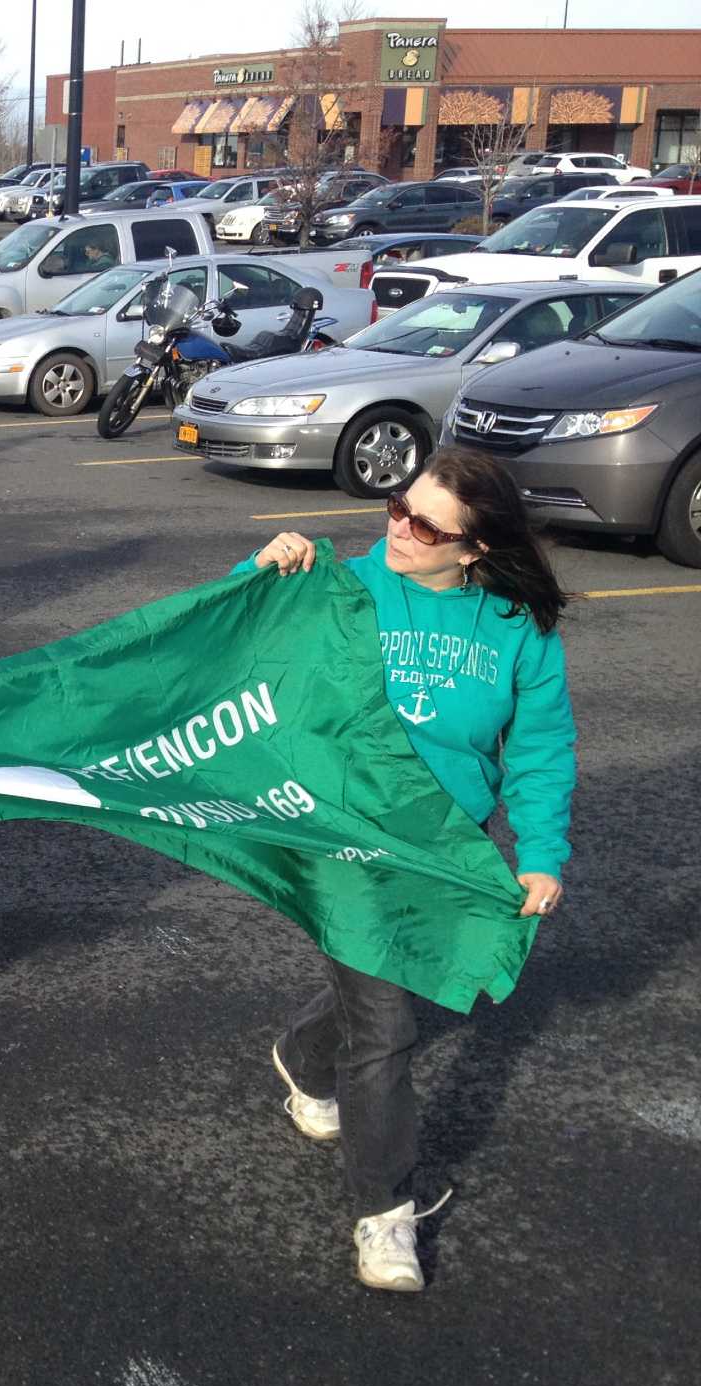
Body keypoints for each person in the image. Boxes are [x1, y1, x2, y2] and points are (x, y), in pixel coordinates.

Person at [248, 448, 576, 1293]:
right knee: (388, 1026)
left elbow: (539, 751)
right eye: (398, 506)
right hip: (346, 834)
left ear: (474, 550)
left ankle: (303, 1054)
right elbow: (240, 633)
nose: (398, 527)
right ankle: (385, 1210)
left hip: (444, 842)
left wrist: (540, 855)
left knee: (401, 996)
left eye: (424, 524)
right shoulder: (346, 585)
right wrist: (268, 563)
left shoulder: (516, 629)